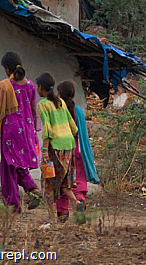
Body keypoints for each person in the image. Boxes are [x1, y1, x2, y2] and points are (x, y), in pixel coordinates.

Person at [0, 52, 42, 212]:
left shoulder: (4, 86)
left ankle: (13, 205)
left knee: (8, 168)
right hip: (26, 130)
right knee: (18, 164)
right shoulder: (31, 85)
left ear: (6, 68)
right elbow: (33, 110)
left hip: (10, 131)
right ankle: (33, 190)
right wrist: (33, 133)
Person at [36, 72, 85, 221]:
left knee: (48, 181)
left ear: (40, 88)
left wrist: (45, 150)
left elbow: (47, 129)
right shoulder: (61, 102)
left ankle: (52, 218)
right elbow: (73, 128)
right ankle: (76, 202)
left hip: (54, 147)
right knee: (64, 180)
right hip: (69, 145)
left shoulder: (42, 105)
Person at [56, 80, 99, 221]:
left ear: (60, 94)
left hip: (62, 152)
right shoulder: (78, 111)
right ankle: (80, 201)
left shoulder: (58, 110)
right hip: (76, 152)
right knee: (78, 181)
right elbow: (82, 134)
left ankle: (63, 212)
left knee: (62, 181)